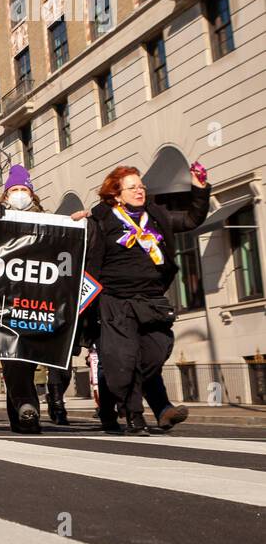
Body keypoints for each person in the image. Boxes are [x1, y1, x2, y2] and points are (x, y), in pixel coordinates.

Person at [83, 164, 208, 435]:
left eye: (141, 187)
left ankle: (110, 404)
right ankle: (134, 416)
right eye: (132, 187)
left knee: (153, 354)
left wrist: (199, 190)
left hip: (152, 301)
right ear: (117, 195)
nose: (139, 191)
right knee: (124, 360)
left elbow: (190, 220)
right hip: (115, 302)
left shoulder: (156, 216)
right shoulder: (102, 221)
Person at [0, 165, 49, 433]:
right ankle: (27, 405)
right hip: (2, 302)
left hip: (36, 302)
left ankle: (21, 416)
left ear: (32, 194)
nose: (19, 194)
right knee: (11, 355)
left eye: (23, 189)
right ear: (5, 195)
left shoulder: (47, 220)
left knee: (27, 358)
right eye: (14, 190)